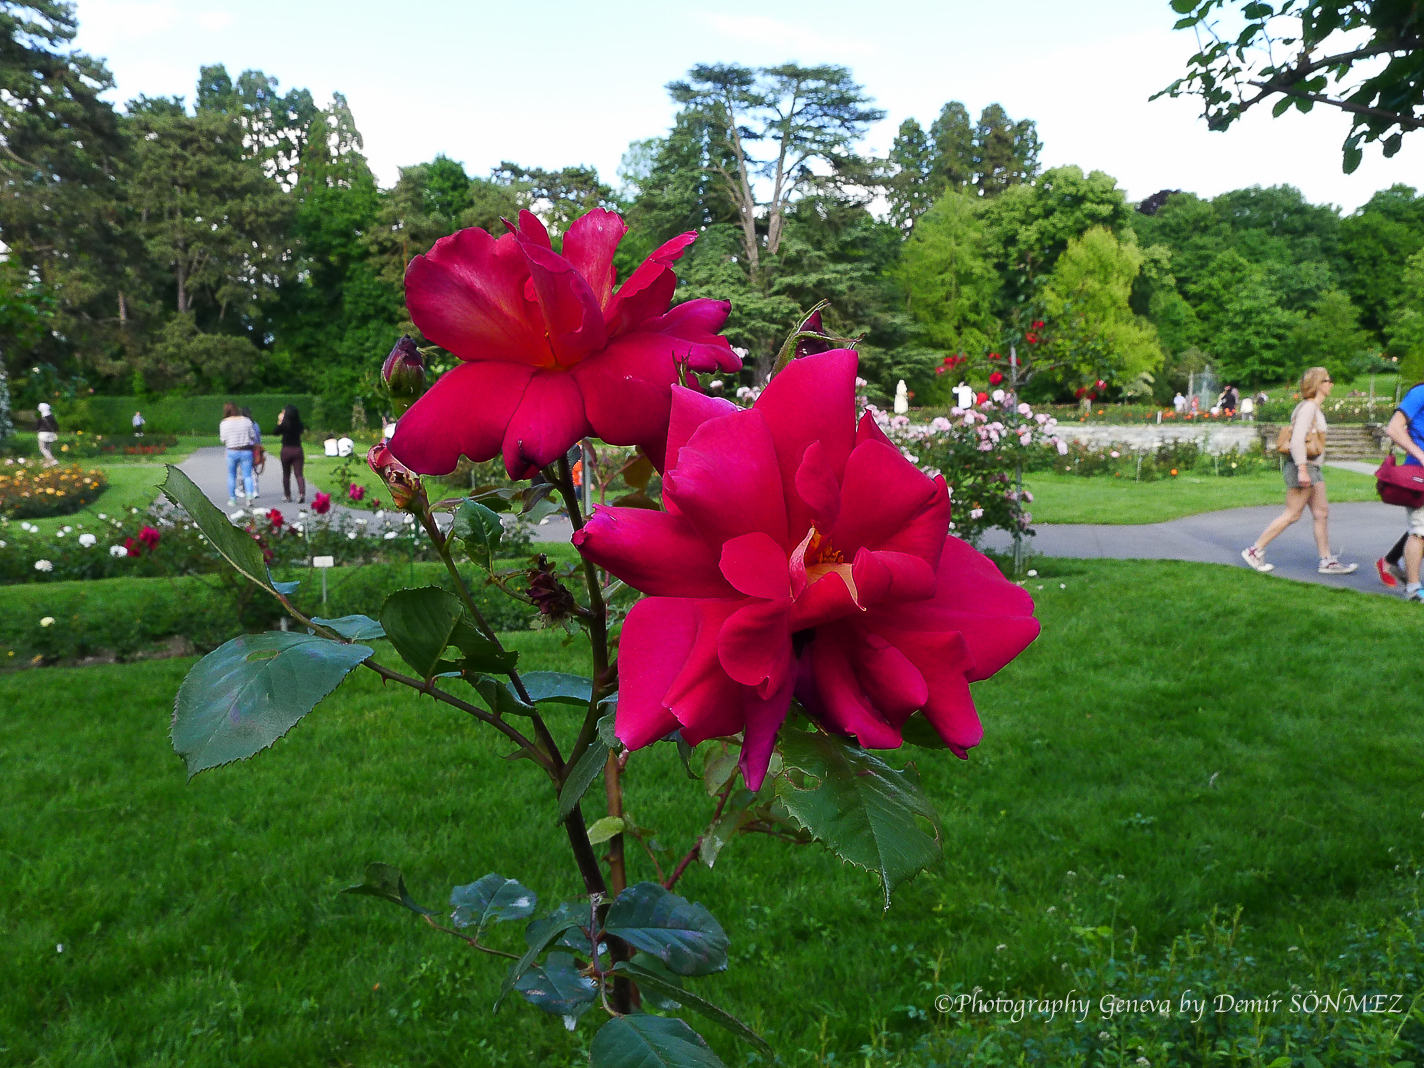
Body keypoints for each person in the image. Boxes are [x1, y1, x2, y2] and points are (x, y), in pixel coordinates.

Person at [1241, 367, 1358, 575]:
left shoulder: (1314, 408)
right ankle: (1254, 550)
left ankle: (1326, 561)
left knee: (1321, 512)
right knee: (1293, 513)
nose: (1331, 384)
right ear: (1318, 384)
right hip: (1303, 467)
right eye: (1328, 380)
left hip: (1314, 467)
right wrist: (1302, 470)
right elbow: (1296, 441)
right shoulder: (1308, 408)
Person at [1377, 380, 1424, 599]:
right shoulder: (1420, 393)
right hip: (1419, 473)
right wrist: (1420, 455)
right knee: (1420, 531)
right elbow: (1394, 428)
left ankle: (1390, 562)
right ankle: (1413, 588)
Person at [219, 402, 256, 507]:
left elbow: (223, 439)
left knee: (231, 475)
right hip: (246, 450)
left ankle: (233, 499)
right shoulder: (246, 421)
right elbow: (252, 435)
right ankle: (249, 495)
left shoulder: (224, 423)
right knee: (247, 475)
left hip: (232, 451)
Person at [276, 404, 306, 503]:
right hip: (297, 449)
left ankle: (287, 496)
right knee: (299, 474)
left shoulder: (284, 424)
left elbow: (275, 432)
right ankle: (301, 494)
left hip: (286, 450)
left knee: (286, 474)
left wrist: (280, 421)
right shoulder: (299, 424)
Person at [241, 407, 264, 499]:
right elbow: (258, 437)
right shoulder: (255, 424)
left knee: (243, 471)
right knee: (254, 471)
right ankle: (255, 490)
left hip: (244, 449)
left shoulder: (242, 424)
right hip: (254, 449)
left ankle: (243, 489)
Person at [36, 402, 59, 466]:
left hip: (43, 434)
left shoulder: (42, 418)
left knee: (43, 448)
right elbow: (56, 426)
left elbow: (37, 426)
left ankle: (52, 460)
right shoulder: (52, 417)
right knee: (48, 448)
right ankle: (48, 462)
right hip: (51, 434)